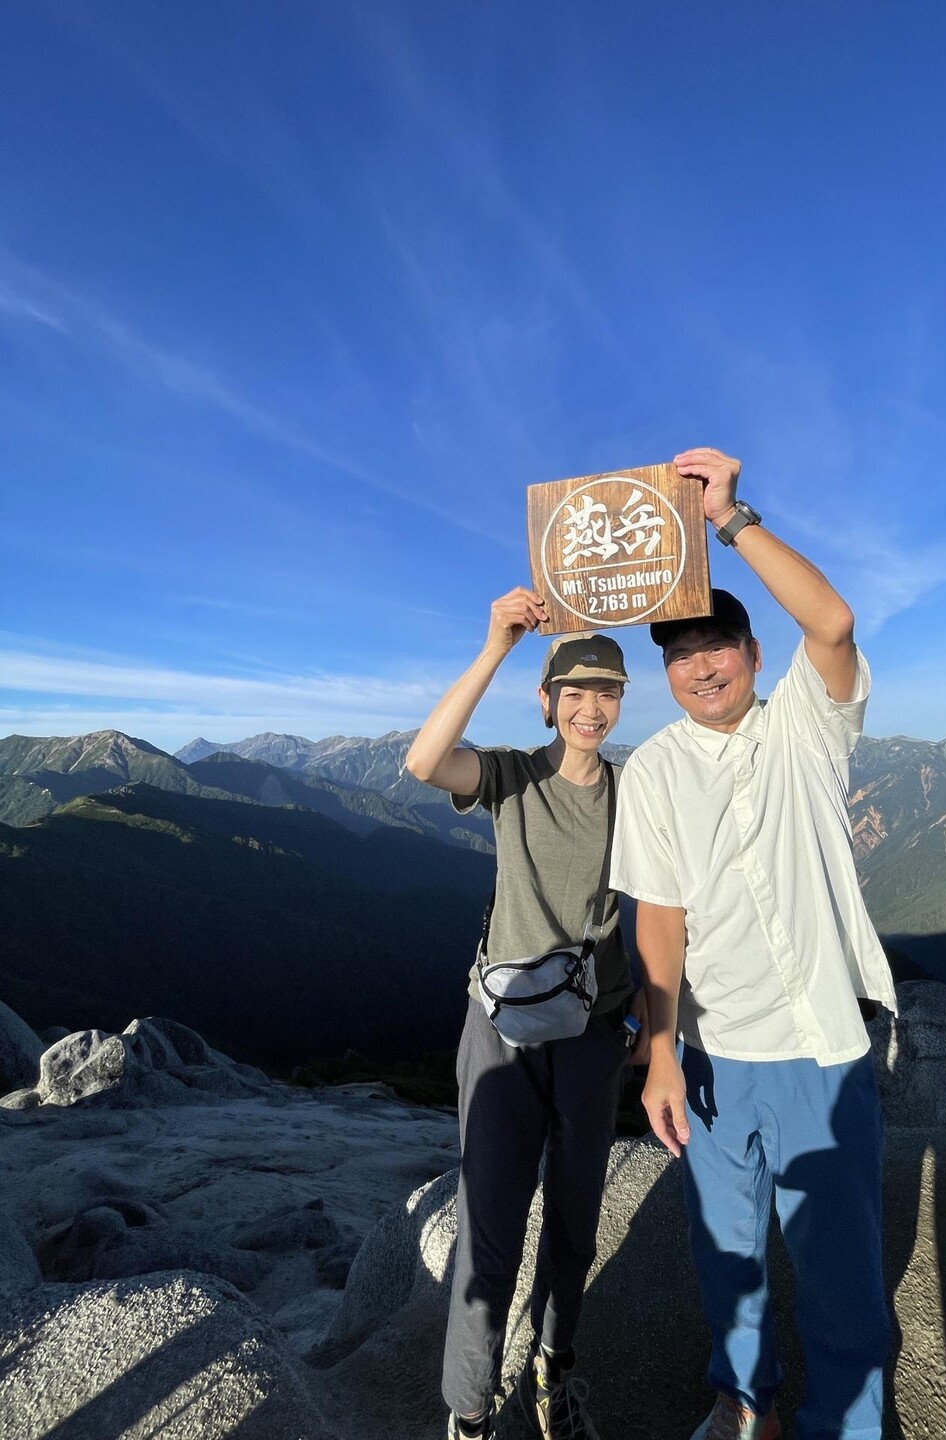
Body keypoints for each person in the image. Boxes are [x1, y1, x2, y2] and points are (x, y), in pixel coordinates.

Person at [610, 448, 897, 1440]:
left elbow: (834, 622)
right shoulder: (650, 770)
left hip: (821, 1044)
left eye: (718, 645)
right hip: (712, 1054)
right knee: (726, 1252)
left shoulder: (808, 730)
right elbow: (658, 916)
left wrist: (731, 520)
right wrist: (657, 1053)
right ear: (667, 671)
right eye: (680, 654)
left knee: (842, 1266)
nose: (700, 665)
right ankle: (746, 1404)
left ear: (752, 654)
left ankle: (847, 1422)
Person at [405, 586, 647, 1440]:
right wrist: (495, 644)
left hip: (592, 1034)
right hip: (502, 1031)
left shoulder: (638, 790)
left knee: (575, 1219)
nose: (590, 708)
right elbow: (426, 762)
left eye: (606, 691)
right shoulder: (510, 774)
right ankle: (469, 1410)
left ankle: (553, 1364)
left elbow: (658, 911)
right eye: (573, 692)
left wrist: (654, 1026)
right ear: (547, 702)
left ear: (622, 700)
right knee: (491, 1224)